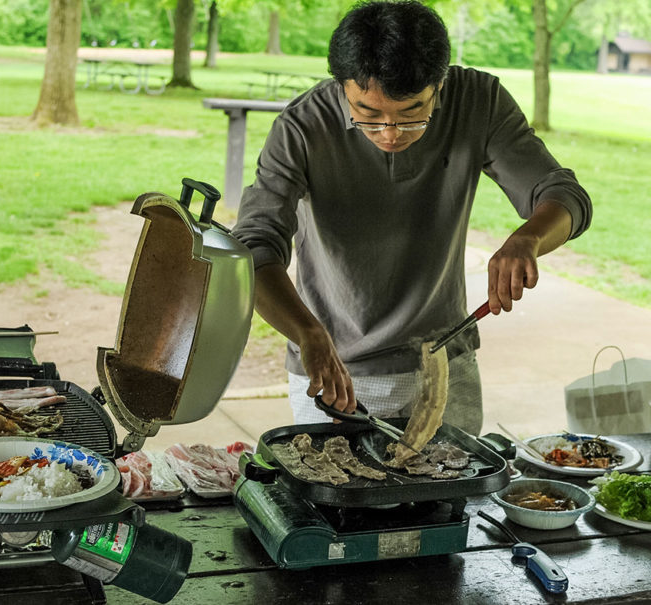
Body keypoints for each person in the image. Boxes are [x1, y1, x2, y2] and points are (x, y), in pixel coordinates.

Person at [231, 0, 592, 436]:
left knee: (450, 501)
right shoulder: (302, 127)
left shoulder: (478, 101)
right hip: (333, 367)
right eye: (367, 114)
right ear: (342, 86)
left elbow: (563, 195)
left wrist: (528, 239)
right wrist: (307, 332)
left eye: (410, 114)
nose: (389, 133)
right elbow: (253, 247)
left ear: (438, 85)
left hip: (445, 362)